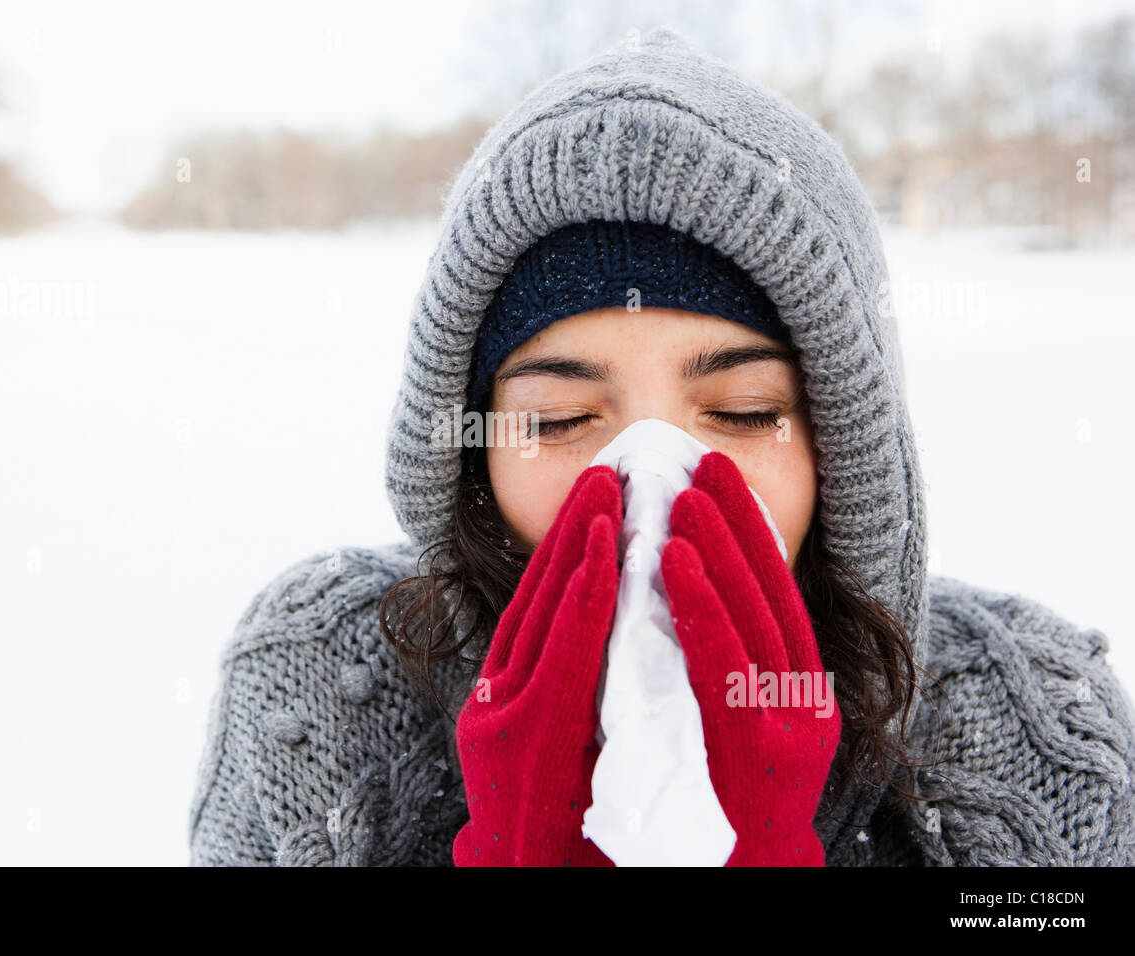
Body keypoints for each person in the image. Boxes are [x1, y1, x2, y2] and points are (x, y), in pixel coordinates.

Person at [188, 26, 1135, 866]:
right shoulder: (316, 698)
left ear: (843, 452)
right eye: (559, 420)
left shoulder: (1026, 727)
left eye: (743, 408)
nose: (652, 484)